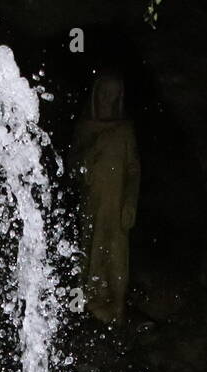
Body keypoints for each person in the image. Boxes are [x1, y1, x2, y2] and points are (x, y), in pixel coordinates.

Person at [74, 72, 141, 325]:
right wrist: (88, 157)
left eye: (112, 95)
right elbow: (73, 167)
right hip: (93, 202)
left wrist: (130, 201)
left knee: (116, 252)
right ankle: (91, 302)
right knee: (90, 249)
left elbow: (134, 169)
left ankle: (116, 305)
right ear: (96, 94)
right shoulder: (86, 128)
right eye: (104, 93)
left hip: (116, 204)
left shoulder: (124, 130)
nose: (107, 99)